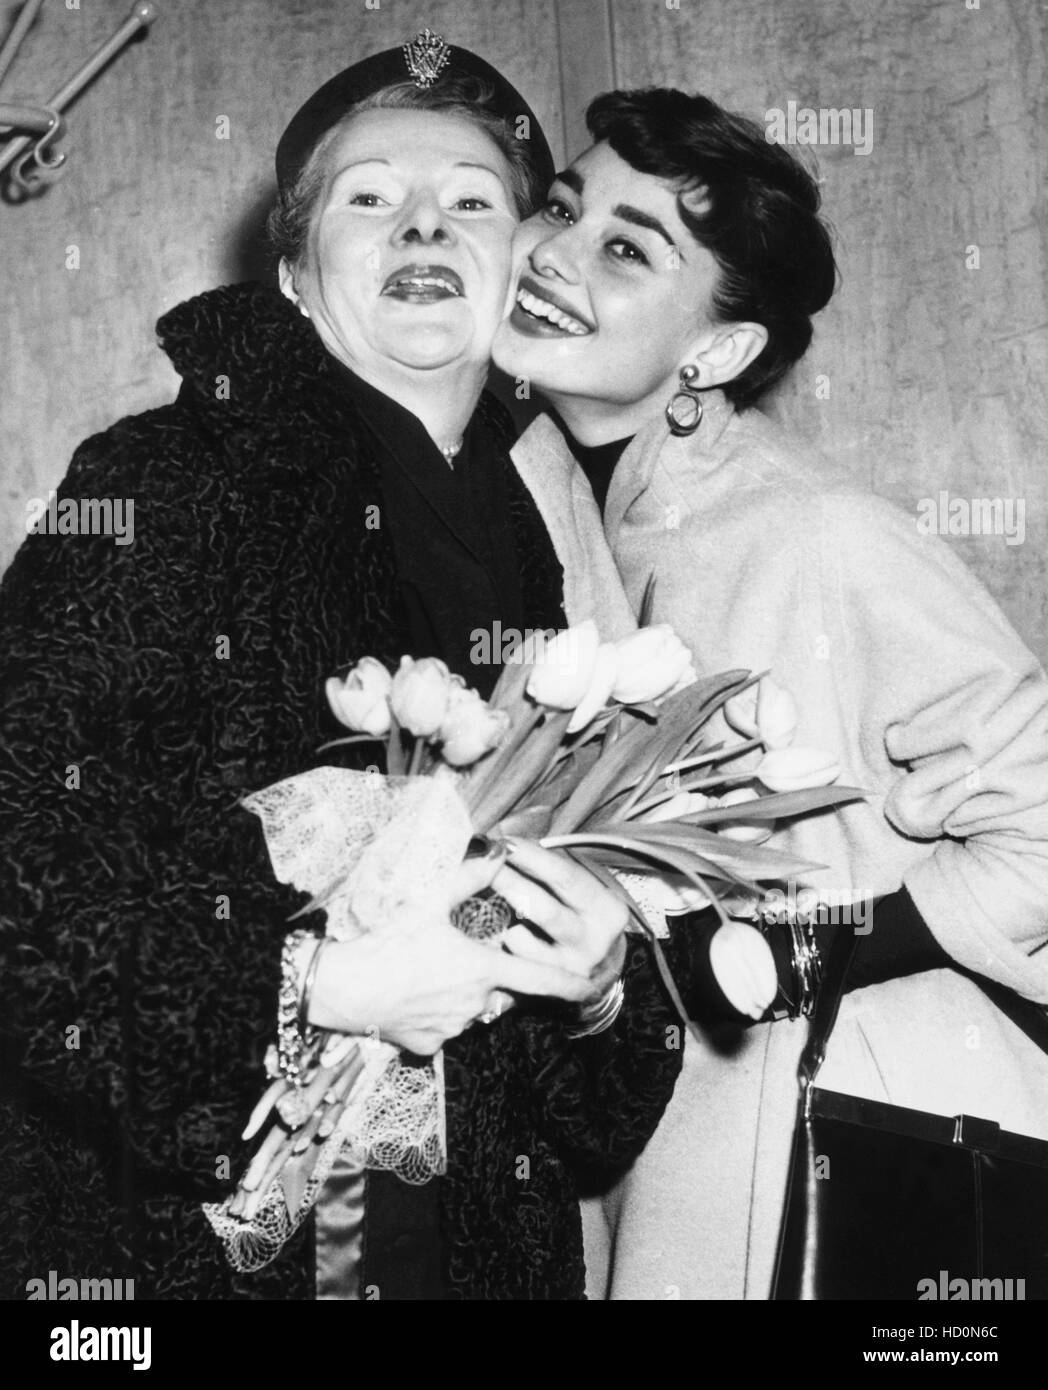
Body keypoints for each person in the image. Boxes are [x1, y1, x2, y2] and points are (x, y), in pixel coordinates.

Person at [0, 39, 681, 1302]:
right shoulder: (169, 481)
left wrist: (593, 990)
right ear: (296, 278)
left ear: (523, 272)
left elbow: (570, 1109)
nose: (425, 217)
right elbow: (20, 859)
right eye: (369, 196)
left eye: (475, 200)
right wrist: (313, 987)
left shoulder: (528, 552)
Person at [493, 87, 1048, 1298]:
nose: (550, 253)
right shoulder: (533, 503)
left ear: (718, 351)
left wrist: (800, 949)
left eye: (626, 248)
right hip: (665, 1142)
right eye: (563, 208)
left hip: (858, 1146)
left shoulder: (821, 532)